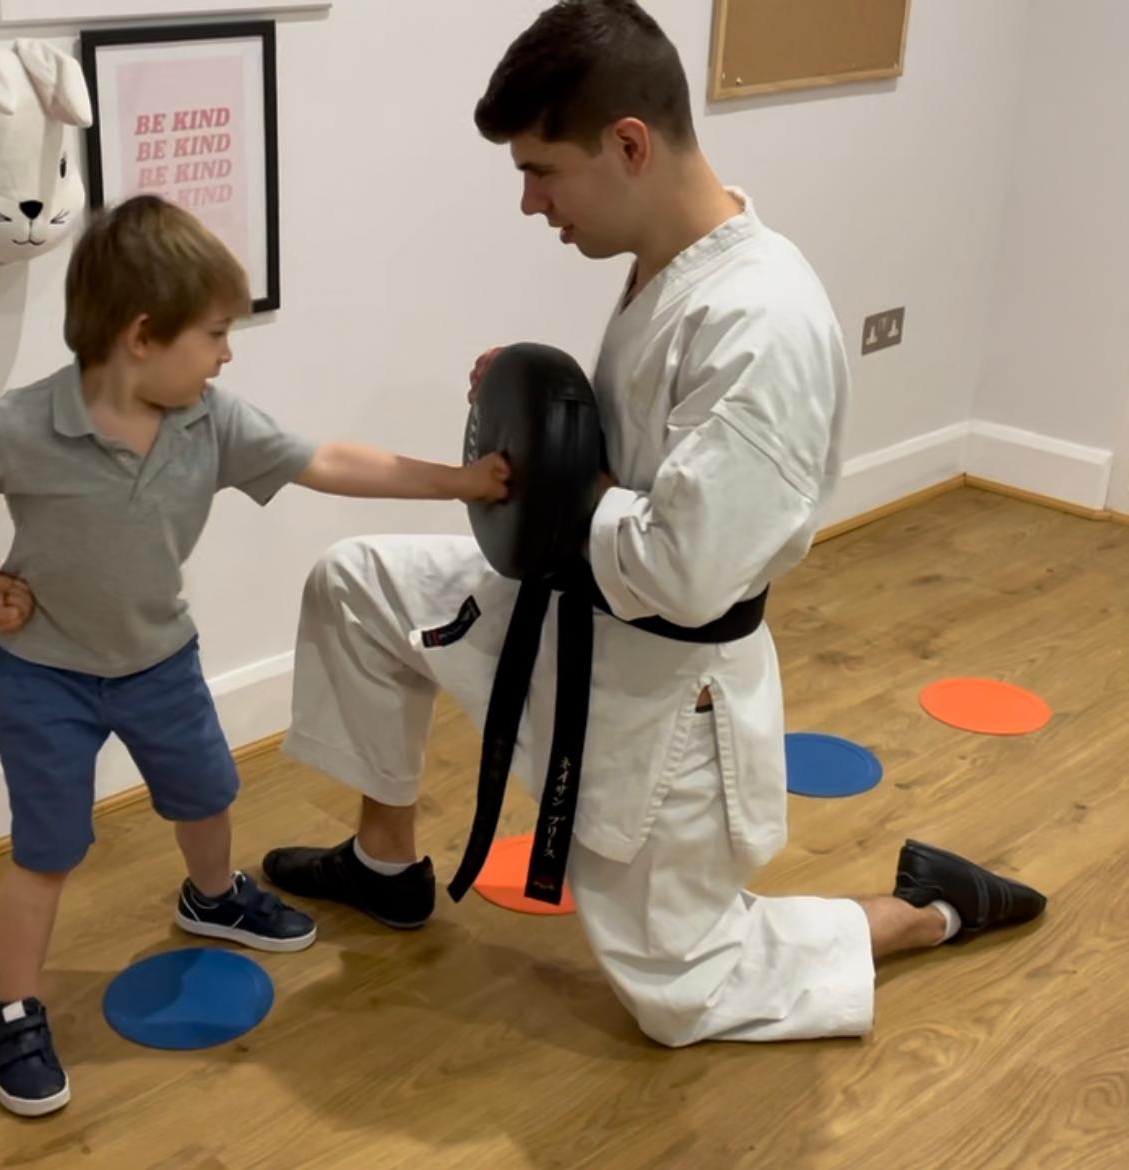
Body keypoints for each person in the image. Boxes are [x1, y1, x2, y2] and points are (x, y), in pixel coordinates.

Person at [261, 0, 1046, 1049]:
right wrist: (532, 408)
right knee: (359, 584)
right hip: (565, 616)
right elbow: (634, 453)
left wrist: (554, 475)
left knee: (682, 996)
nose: (531, 203)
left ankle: (925, 909)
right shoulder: (666, 267)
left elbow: (682, 569)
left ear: (628, 144)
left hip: (667, 689)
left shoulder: (758, 323)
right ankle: (385, 865)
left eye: (541, 170)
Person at [0, 194, 509, 1117]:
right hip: (41, 676)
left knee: (208, 793)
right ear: (142, 336)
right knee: (48, 849)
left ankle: (213, 896)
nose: (228, 353)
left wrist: (458, 482)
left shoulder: (211, 421)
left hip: (160, 661)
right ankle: (15, 1005)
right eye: (216, 333)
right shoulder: (22, 425)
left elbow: (330, 462)